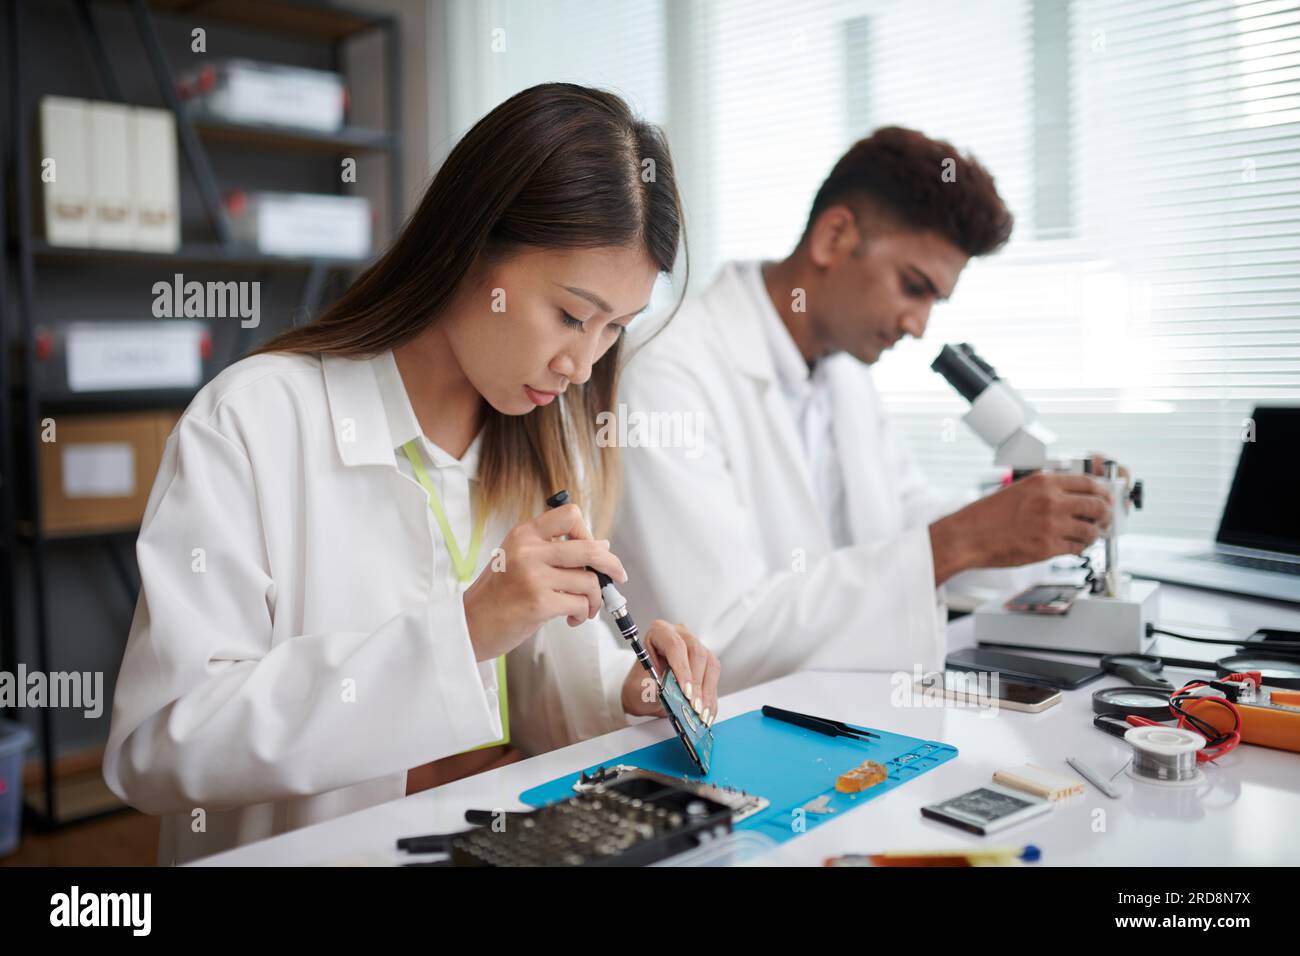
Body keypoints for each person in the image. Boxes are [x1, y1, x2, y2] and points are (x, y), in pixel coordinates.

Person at [103, 83, 720, 864]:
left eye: (613, 331)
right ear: (469, 248)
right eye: (569, 314)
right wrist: (463, 631)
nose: (579, 363)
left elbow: (536, 692)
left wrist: (625, 690)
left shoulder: (540, 436)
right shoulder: (254, 420)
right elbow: (157, 746)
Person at [613, 126, 1115, 693]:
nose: (917, 325)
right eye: (912, 287)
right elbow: (717, 634)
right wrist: (961, 542)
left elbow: (900, 518)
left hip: (830, 710)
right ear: (835, 236)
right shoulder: (665, 369)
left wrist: (1030, 516)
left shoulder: (842, 369)